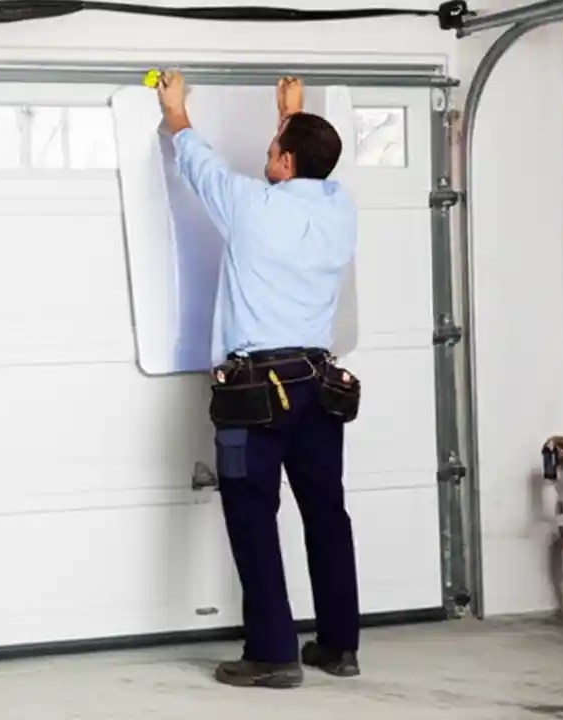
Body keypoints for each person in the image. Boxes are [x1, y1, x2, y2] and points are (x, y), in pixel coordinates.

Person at [154, 70, 362, 689]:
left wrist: (175, 110)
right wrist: (289, 117)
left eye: (274, 148)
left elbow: (198, 161)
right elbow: (303, 168)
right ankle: (339, 645)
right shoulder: (338, 207)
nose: (267, 156)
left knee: (251, 514)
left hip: (256, 395)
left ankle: (273, 653)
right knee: (327, 513)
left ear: (285, 161)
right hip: (320, 387)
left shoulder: (249, 207)